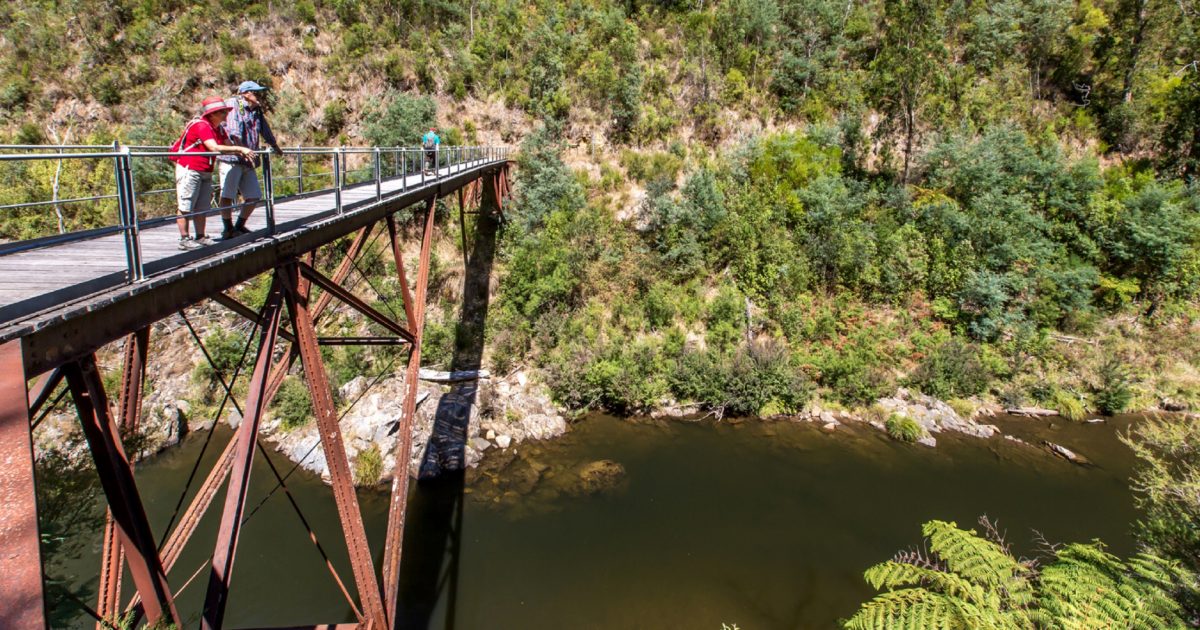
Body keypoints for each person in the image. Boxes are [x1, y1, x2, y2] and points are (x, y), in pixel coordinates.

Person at [171, 96, 256, 250]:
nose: (226, 114)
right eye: (222, 112)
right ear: (212, 114)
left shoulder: (219, 128)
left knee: (202, 205)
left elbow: (228, 144)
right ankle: (184, 238)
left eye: (225, 111)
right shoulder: (202, 126)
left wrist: (242, 151)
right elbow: (214, 147)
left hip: (205, 170)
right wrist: (240, 149)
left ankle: (200, 236)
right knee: (186, 204)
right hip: (190, 168)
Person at [217, 80, 283, 240]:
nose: (259, 96)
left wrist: (275, 146)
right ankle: (228, 228)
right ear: (246, 94)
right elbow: (233, 132)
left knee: (253, 195)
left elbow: (264, 129)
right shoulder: (234, 104)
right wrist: (241, 150)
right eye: (256, 92)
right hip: (232, 158)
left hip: (248, 159)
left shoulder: (256, 110)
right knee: (227, 195)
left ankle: (239, 226)